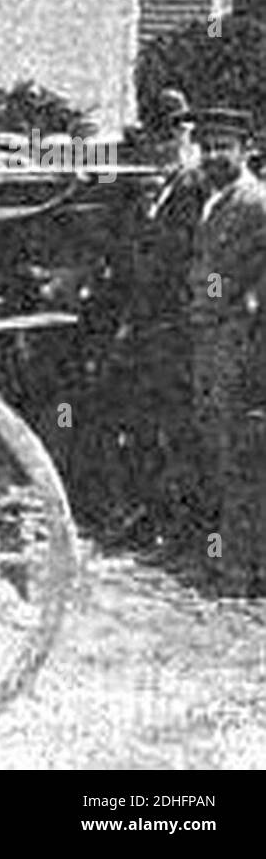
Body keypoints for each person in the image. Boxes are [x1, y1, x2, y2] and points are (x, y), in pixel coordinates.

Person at [185, 108, 266, 596]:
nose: (215, 155)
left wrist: (228, 305)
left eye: (224, 147)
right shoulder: (209, 198)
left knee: (241, 456)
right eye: (208, 146)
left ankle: (241, 570)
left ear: (246, 148)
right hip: (210, 338)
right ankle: (221, 558)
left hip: (239, 342)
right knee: (214, 451)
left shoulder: (255, 204)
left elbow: (247, 278)